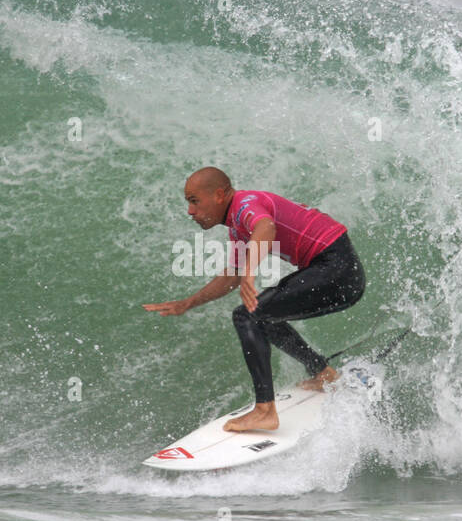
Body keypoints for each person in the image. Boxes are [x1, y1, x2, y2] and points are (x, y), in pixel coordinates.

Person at [142, 167, 365, 431]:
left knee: (247, 315)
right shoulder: (237, 228)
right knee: (262, 315)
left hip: (336, 268)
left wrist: (250, 271)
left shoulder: (245, 205)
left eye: (194, 201)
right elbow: (232, 277)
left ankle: (265, 411)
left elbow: (266, 226)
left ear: (219, 195)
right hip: (338, 273)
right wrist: (187, 303)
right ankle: (322, 373)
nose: (190, 211)